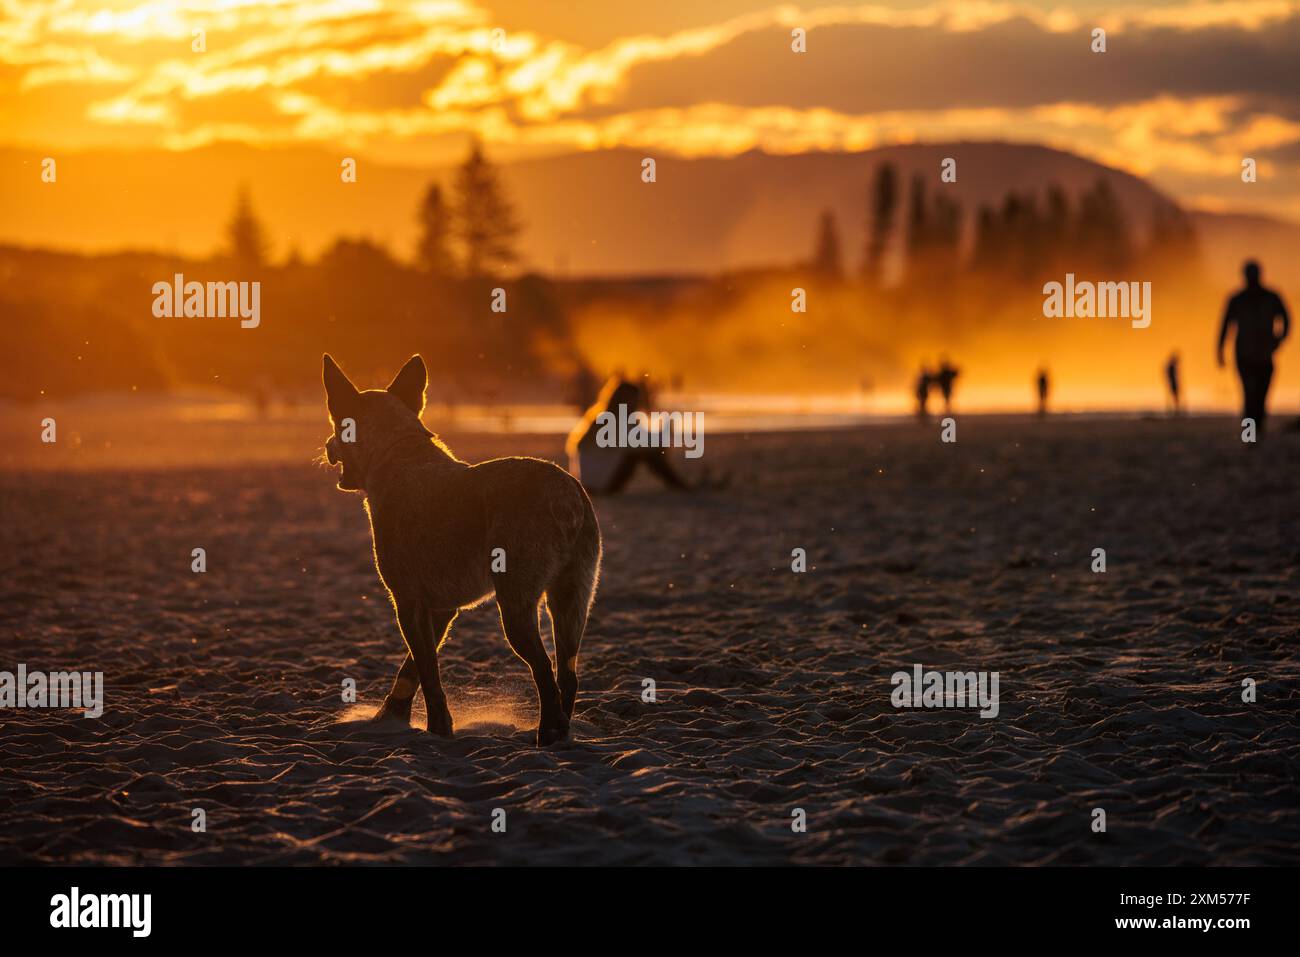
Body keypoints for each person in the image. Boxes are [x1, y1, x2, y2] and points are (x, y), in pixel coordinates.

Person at [566, 376, 691, 495]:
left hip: (587, 484)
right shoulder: (614, 420)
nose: (636, 403)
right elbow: (647, 443)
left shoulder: (600, 418)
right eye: (634, 399)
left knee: (645, 452)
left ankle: (679, 485)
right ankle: (679, 486)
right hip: (599, 485)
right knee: (644, 454)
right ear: (623, 399)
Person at [1217, 260, 1290, 432]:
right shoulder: (1238, 300)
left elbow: (1286, 320)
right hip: (1246, 356)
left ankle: (1256, 431)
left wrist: (1278, 340)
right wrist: (1219, 350)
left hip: (1262, 356)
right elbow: (1226, 326)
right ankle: (1251, 434)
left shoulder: (1270, 298)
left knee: (1259, 396)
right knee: (1250, 395)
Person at [1165, 351, 1181, 415]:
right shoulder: (1171, 366)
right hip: (1173, 382)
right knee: (1174, 396)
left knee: (1174, 396)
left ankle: (1174, 410)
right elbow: (1172, 375)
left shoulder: (1171, 365)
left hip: (1173, 382)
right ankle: (1174, 410)